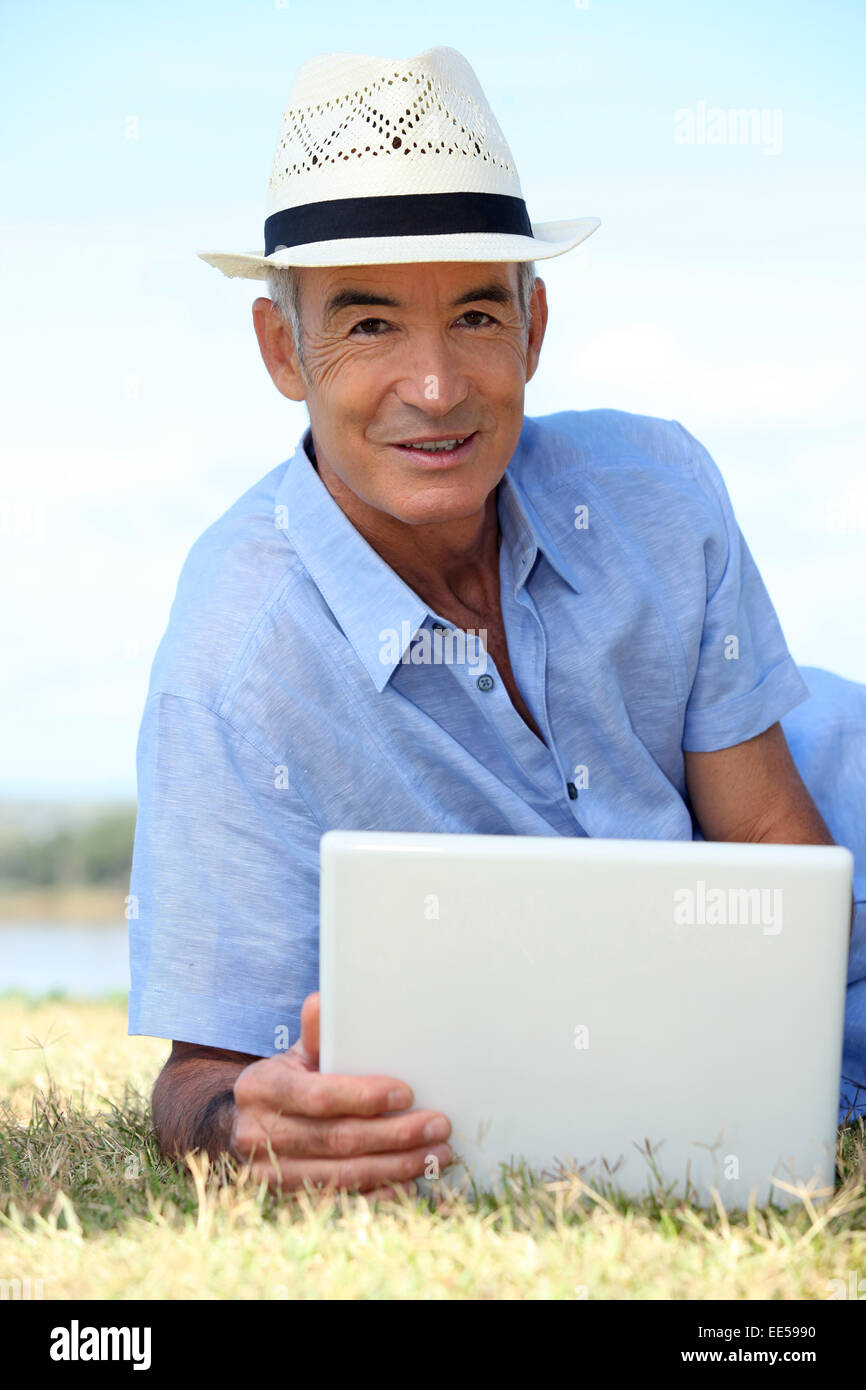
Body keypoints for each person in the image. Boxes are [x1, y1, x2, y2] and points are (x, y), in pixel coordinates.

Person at [129, 46, 866, 1198]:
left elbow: (776, 843)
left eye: (475, 313)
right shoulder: (233, 662)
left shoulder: (660, 488)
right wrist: (243, 1127)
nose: (436, 386)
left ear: (531, 327)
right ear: (283, 352)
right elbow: (199, 1079)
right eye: (367, 327)